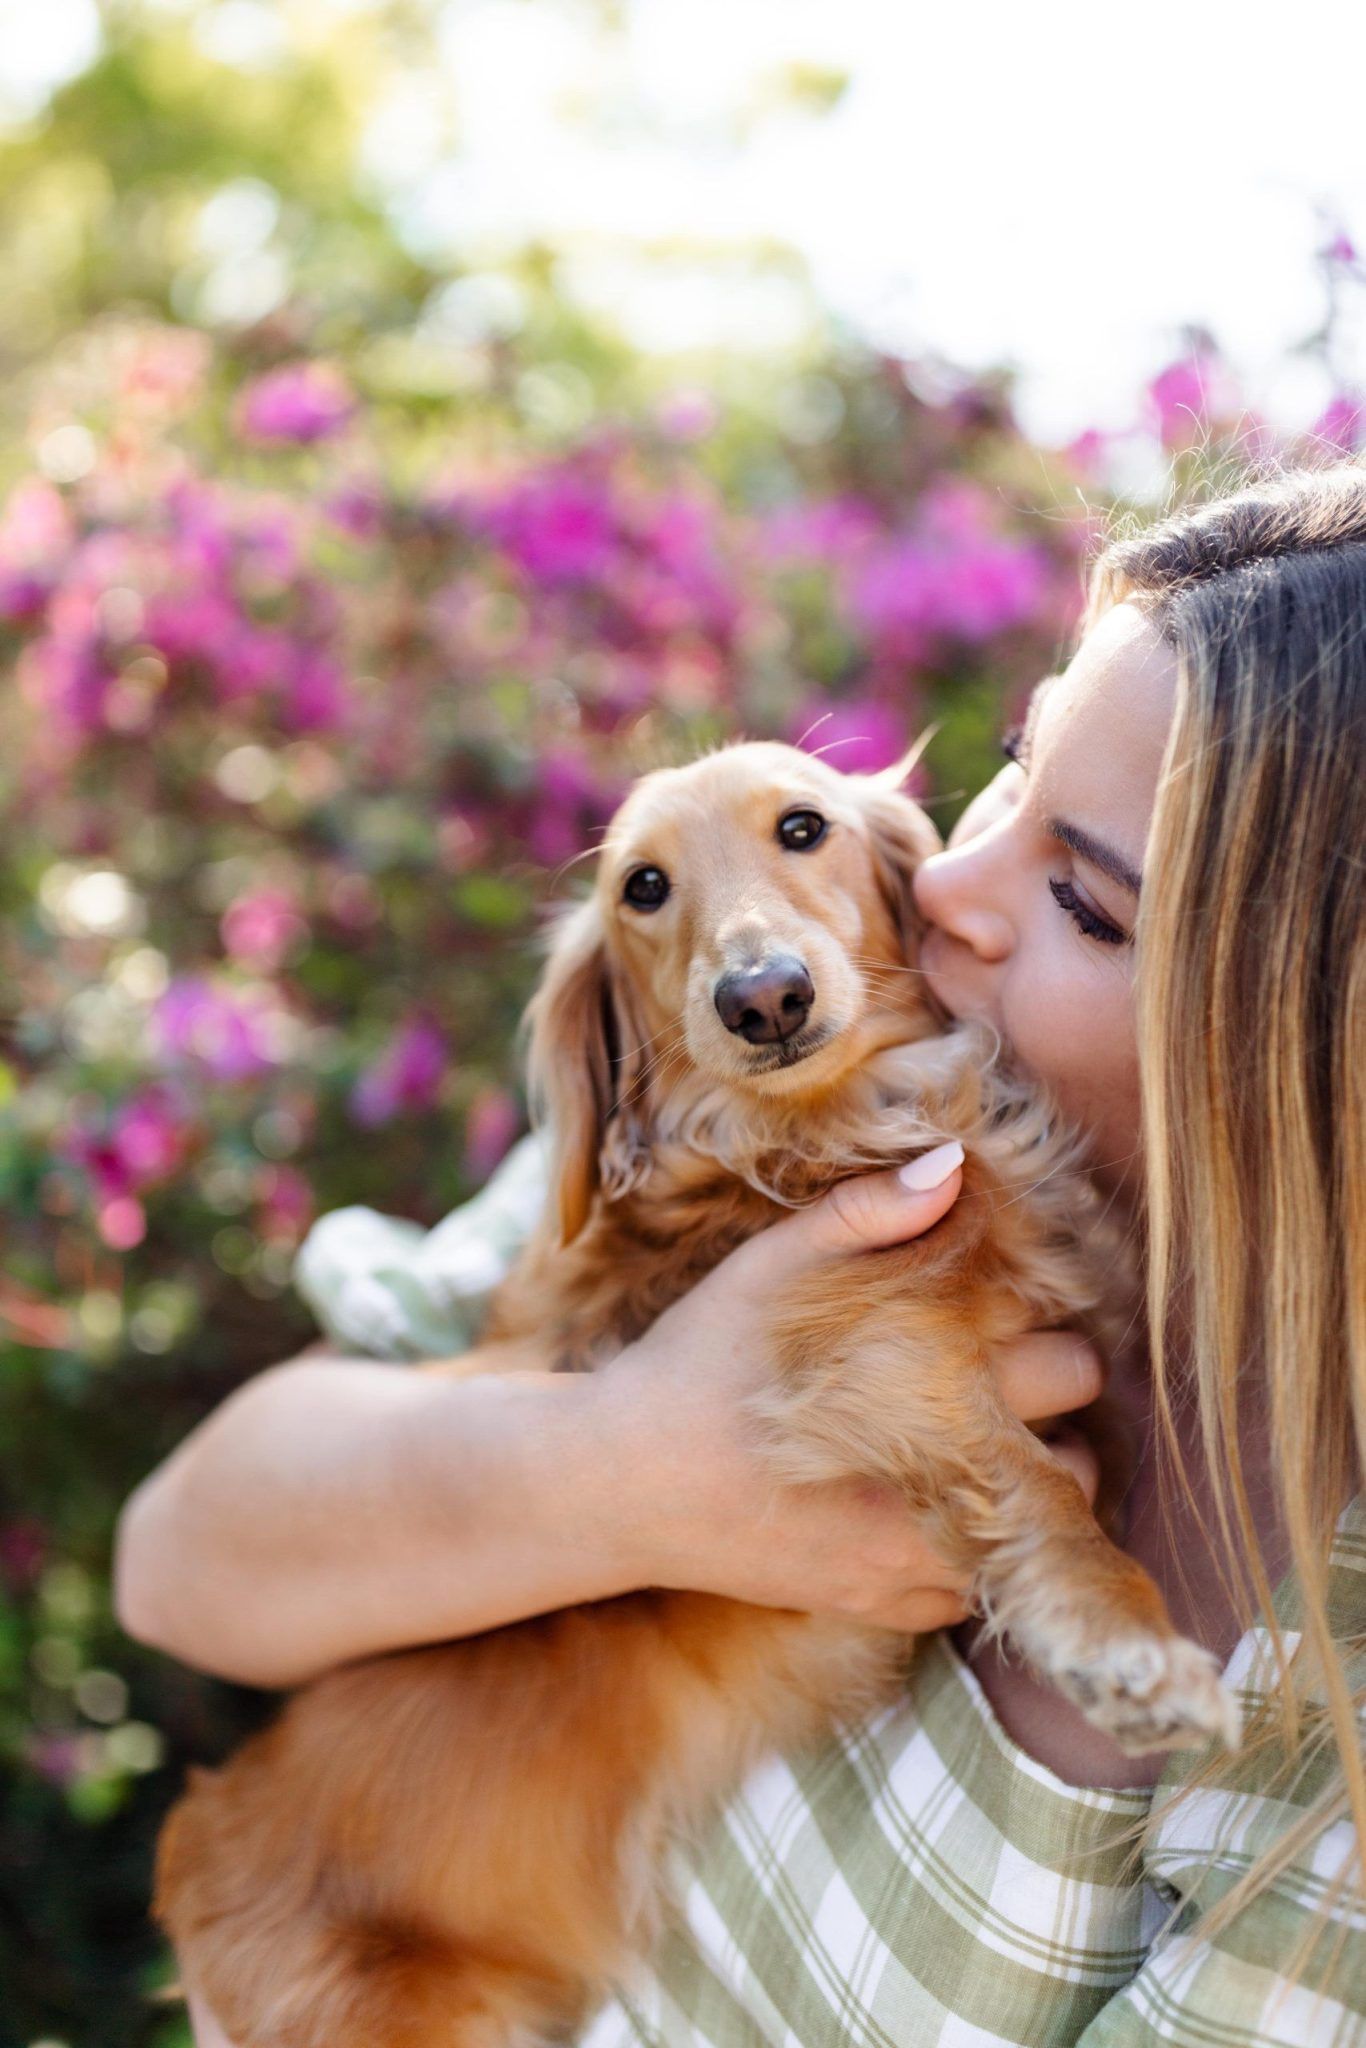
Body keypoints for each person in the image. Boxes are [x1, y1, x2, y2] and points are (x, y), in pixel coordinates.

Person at [115, 464, 1366, 2047]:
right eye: (1008, 768)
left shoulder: (1327, 1694)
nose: (940, 884)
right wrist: (625, 1462)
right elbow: (177, 1556)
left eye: (1084, 901)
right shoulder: (699, 1146)